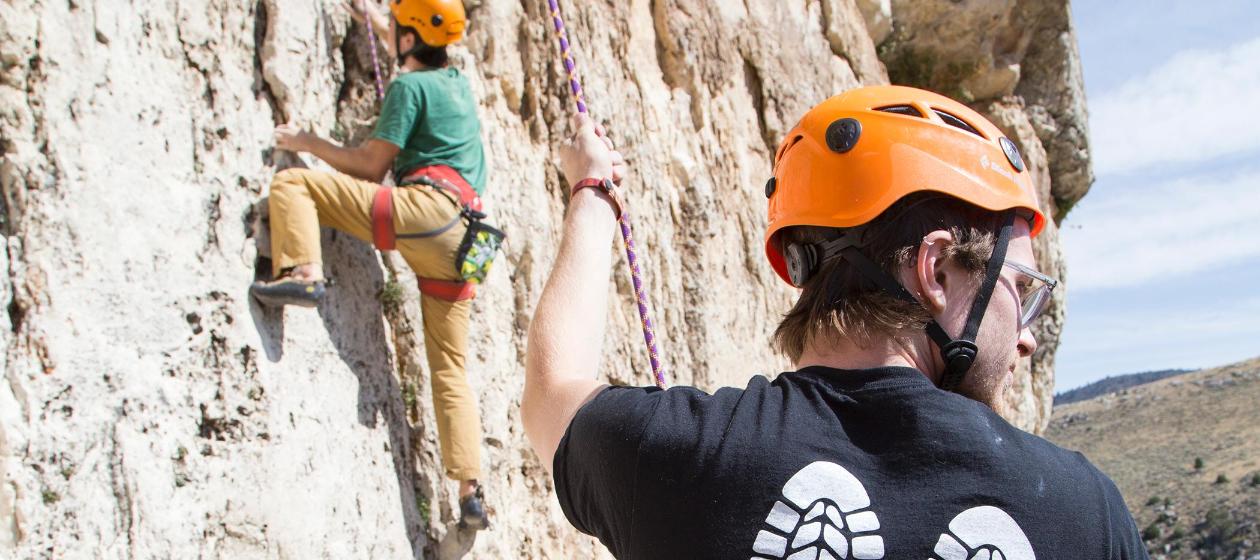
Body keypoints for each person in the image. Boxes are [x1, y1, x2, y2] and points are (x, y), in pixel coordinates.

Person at [523, 86, 1149, 558]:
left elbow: (553, 392)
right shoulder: (1086, 515)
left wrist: (592, 189)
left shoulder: (687, 455)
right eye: (1022, 289)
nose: (1029, 335)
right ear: (935, 270)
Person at [251, 0, 491, 530]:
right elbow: (411, 47)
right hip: (465, 242)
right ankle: (470, 491)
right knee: (450, 368)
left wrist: (306, 142)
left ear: (410, 38)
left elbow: (370, 165)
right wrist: (378, 19)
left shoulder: (408, 89)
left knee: (294, 183)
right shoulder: (454, 83)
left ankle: (302, 272)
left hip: (423, 214)